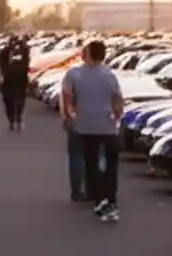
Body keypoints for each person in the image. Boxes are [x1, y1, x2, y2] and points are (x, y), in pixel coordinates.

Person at [61, 40, 123, 222]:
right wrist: (117, 117)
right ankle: (110, 197)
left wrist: (70, 115)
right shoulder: (110, 76)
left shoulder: (74, 74)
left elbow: (67, 97)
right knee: (111, 163)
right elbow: (117, 99)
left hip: (85, 126)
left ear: (86, 54)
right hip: (107, 125)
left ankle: (94, 195)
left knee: (90, 161)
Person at [0, 36, 30, 131]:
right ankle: (17, 119)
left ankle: (13, 119)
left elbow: (1, 65)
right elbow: (27, 62)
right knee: (17, 100)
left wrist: (4, 74)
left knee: (10, 102)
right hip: (19, 80)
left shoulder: (6, 50)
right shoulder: (23, 50)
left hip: (12, 80)